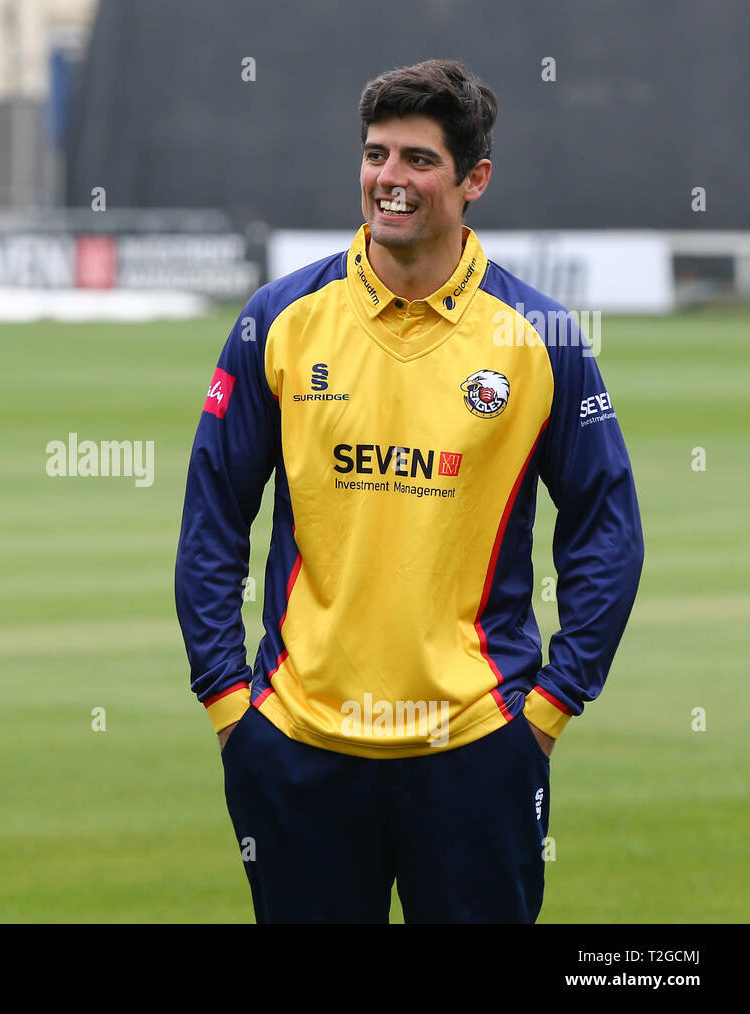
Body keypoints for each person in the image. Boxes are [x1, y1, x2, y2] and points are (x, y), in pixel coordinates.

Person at [174, 59, 644, 923]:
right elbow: (211, 517)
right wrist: (229, 704)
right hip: (297, 750)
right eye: (375, 154)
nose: (389, 179)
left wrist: (546, 712)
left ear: (475, 180)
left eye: (418, 160)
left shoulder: (540, 337)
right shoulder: (279, 318)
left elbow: (607, 529)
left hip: (474, 752)